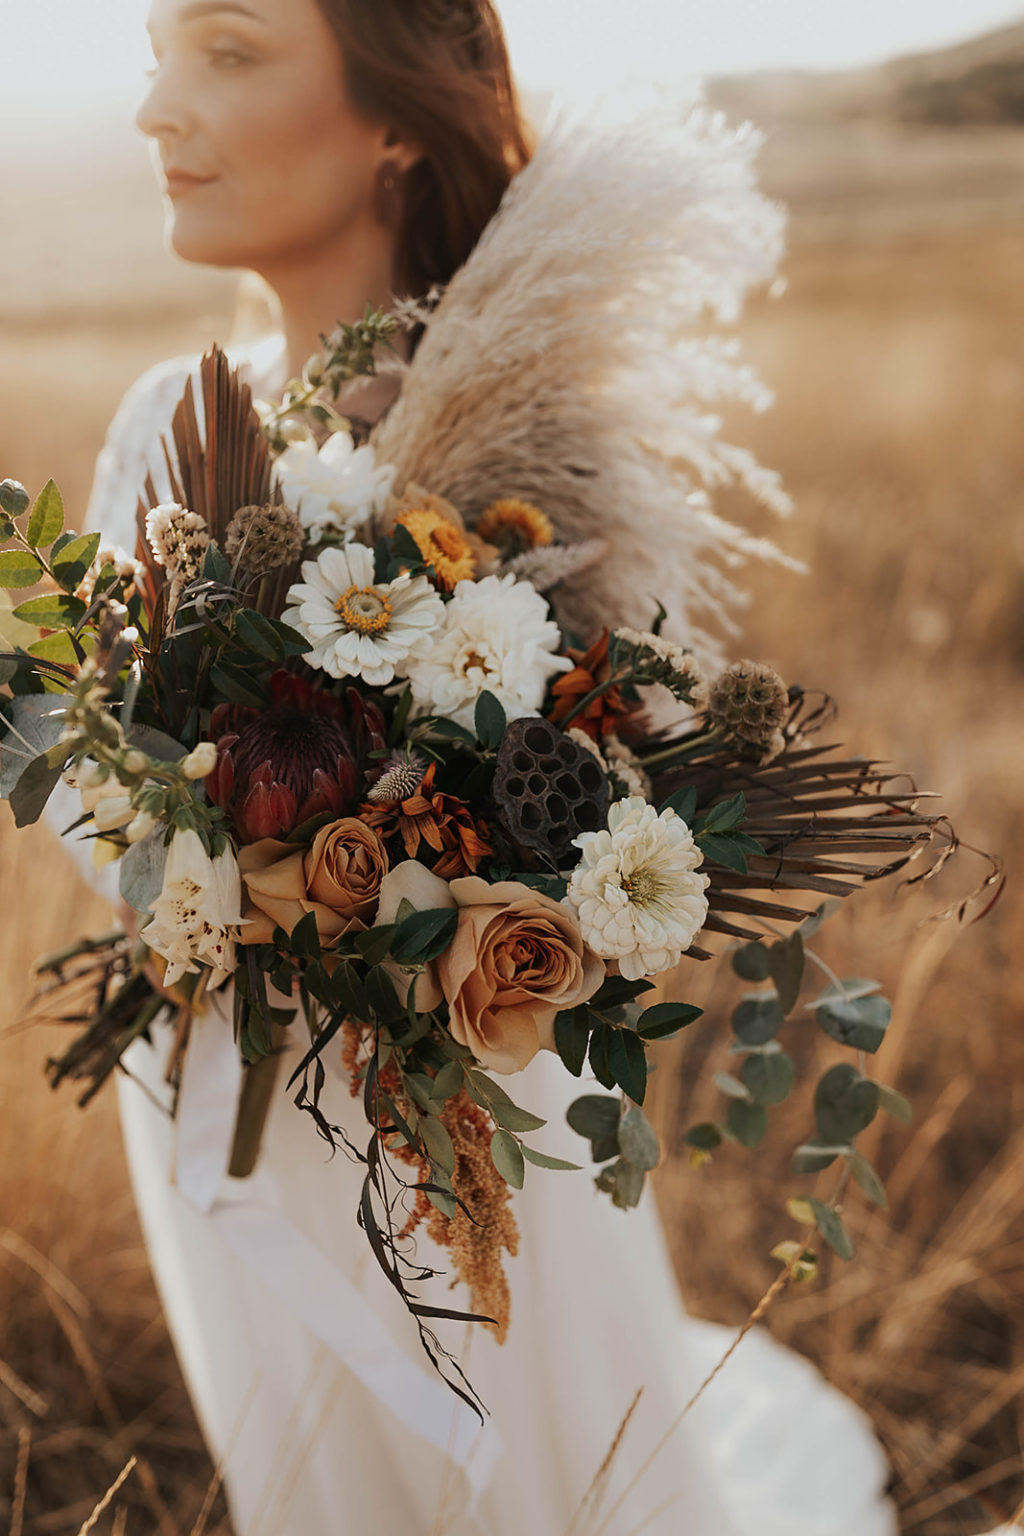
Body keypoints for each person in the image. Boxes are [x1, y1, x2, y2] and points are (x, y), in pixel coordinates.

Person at [77, 1, 899, 1530]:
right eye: (161, 51)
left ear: (397, 119)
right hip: (221, 1087)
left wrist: (421, 886)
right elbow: (97, 802)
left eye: (230, 51)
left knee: (548, 1471)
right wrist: (210, 870)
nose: (156, 109)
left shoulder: (532, 451)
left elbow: (613, 810)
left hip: (469, 1111)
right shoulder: (163, 428)